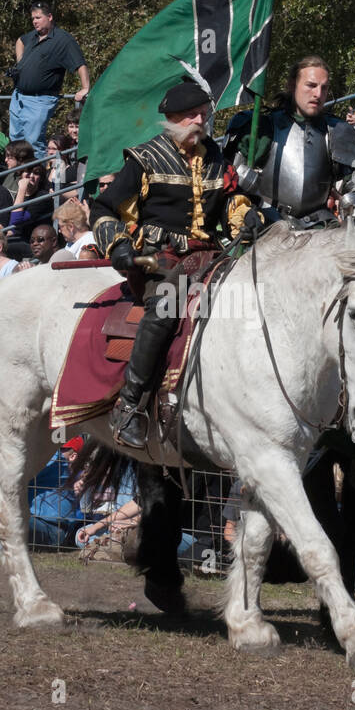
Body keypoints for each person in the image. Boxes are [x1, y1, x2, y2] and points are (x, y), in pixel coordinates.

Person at [91, 79, 263, 448]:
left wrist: (244, 214)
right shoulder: (145, 157)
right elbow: (104, 209)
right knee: (166, 308)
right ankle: (130, 404)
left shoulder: (215, 155)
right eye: (191, 115)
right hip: (159, 259)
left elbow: (232, 199)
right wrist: (118, 246)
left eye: (203, 114)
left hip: (211, 255)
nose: (199, 121)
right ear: (171, 119)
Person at [223, 55, 355, 227]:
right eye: (311, 85)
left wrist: (354, 216)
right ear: (292, 85)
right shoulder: (262, 127)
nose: (318, 94)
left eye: (324, 88)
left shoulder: (338, 130)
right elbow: (232, 180)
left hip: (320, 226)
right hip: (267, 223)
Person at [8, 2, 89, 156]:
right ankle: (17, 176)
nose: (34, 21)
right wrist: (21, 63)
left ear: (50, 17)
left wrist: (85, 88)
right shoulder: (33, 36)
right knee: (15, 141)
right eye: (33, 18)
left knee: (33, 142)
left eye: (38, 17)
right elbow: (20, 41)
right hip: (18, 97)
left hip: (40, 100)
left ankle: (37, 176)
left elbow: (80, 64)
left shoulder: (63, 40)